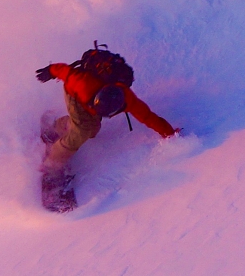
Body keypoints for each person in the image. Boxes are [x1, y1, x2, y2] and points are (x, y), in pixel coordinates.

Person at [34, 46, 178, 209]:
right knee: (81, 132)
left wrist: (170, 133)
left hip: (92, 100)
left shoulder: (128, 100)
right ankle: (52, 165)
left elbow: (148, 117)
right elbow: (67, 72)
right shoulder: (83, 86)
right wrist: (51, 71)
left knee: (92, 129)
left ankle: (57, 126)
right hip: (76, 96)